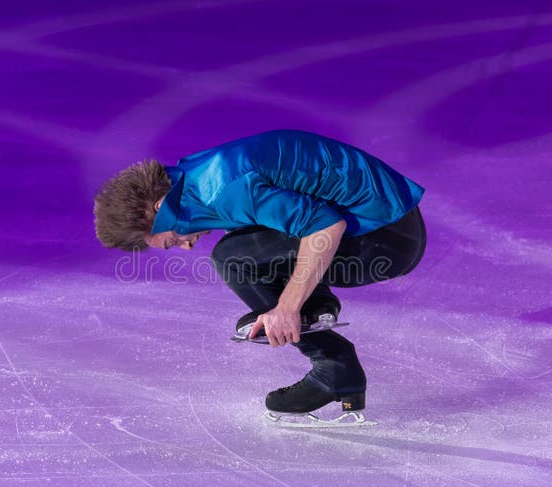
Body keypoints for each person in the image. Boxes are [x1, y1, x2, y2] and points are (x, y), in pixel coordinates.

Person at [94, 129, 426, 421]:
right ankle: (319, 308)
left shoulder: (225, 190)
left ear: (157, 207)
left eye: (173, 240)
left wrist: (287, 308)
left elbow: (326, 226)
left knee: (231, 258)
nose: (185, 248)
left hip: (386, 240)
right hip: (383, 222)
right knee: (238, 250)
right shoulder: (193, 179)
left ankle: (334, 367)